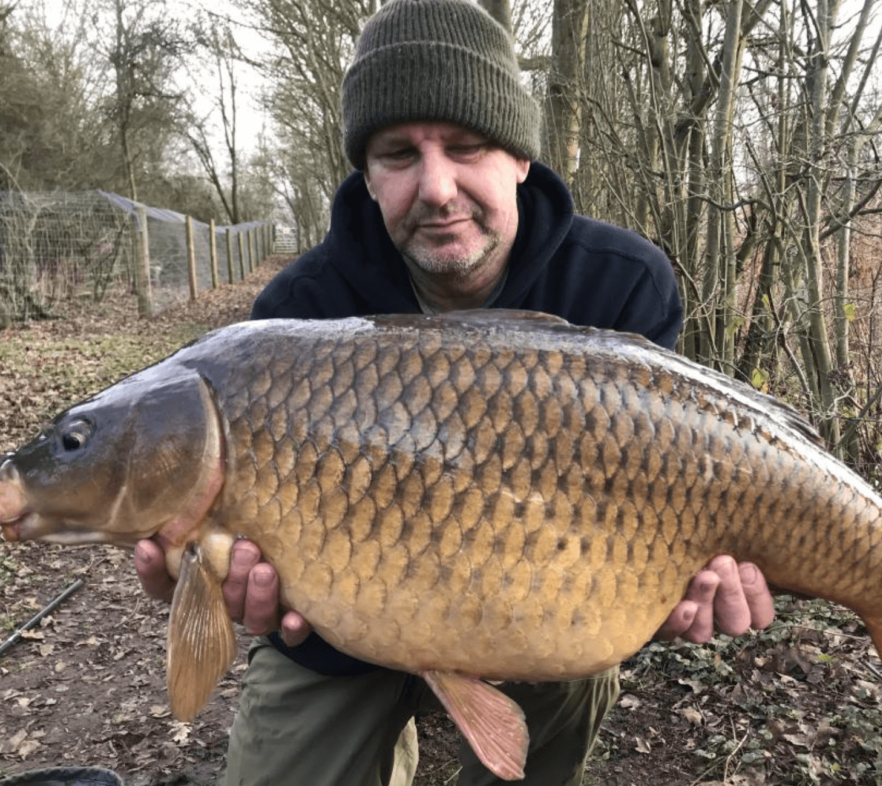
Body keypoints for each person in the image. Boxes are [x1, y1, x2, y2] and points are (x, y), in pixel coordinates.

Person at [134, 1, 775, 783]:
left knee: (576, 675)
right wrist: (223, 586)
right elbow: (240, 581)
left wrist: (681, 588)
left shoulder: (619, 284)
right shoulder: (294, 316)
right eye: (399, 154)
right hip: (339, 638)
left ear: (521, 158)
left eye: (466, 146)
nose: (436, 188)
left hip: (536, 618)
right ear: (366, 176)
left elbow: (667, 506)